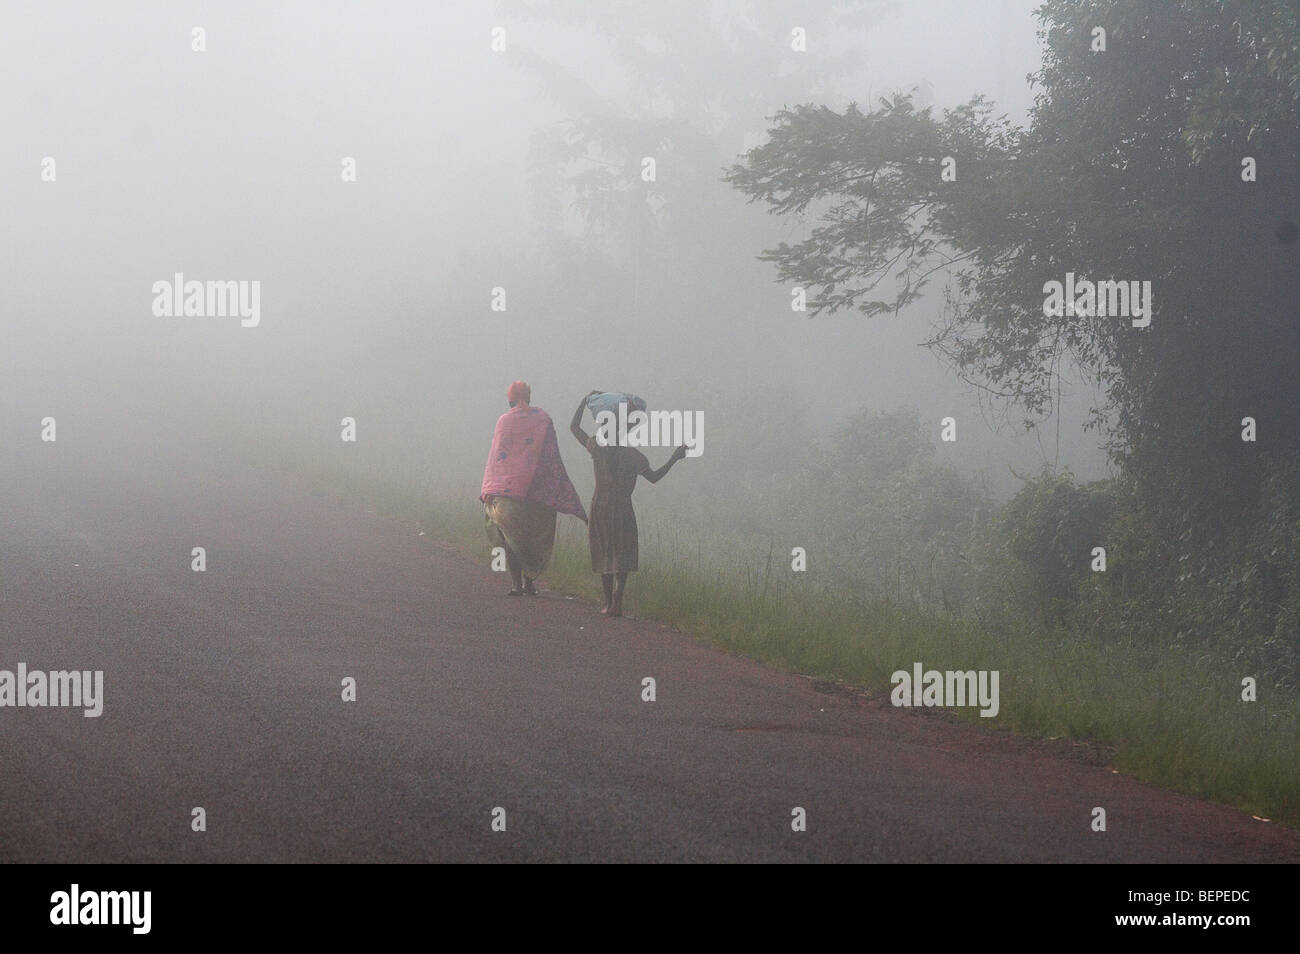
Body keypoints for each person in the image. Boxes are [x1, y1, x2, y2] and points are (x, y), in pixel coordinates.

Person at [570, 390, 687, 617]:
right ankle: (618, 600)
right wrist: (675, 457)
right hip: (623, 508)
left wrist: (584, 401)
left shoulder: (597, 447)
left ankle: (607, 603)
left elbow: (574, 428)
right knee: (623, 553)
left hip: (600, 506)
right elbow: (654, 477)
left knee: (604, 551)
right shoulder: (634, 457)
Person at [481, 381, 587, 595]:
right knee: (533, 539)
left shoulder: (504, 421)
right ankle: (530, 583)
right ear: (528, 398)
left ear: (510, 400)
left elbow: (497, 459)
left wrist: (489, 489)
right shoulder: (543, 420)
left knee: (510, 537)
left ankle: (516, 584)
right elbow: (551, 457)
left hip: (508, 494)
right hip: (537, 493)